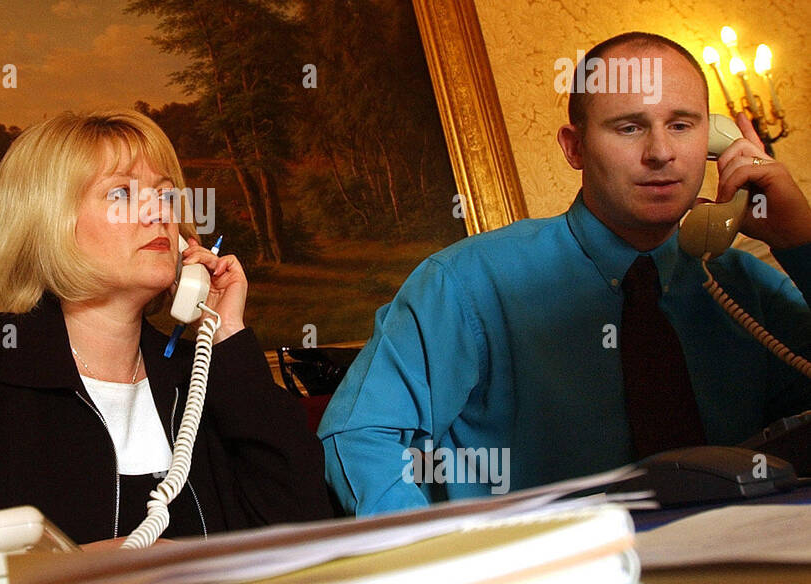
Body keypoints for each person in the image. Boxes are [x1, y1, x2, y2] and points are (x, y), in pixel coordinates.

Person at [319, 31, 811, 514]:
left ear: (715, 139)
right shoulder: (467, 281)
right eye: (629, 127)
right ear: (574, 148)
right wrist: (434, 571)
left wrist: (801, 241)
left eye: (682, 125)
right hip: (539, 579)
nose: (661, 152)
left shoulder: (743, 284)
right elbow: (363, 433)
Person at [0, 109, 333, 543]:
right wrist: (60, 574)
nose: (161, 211)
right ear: (49, 225)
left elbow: (307, 537)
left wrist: (225, 335)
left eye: (164, 192)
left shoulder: (198, 377)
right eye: (121, 194)